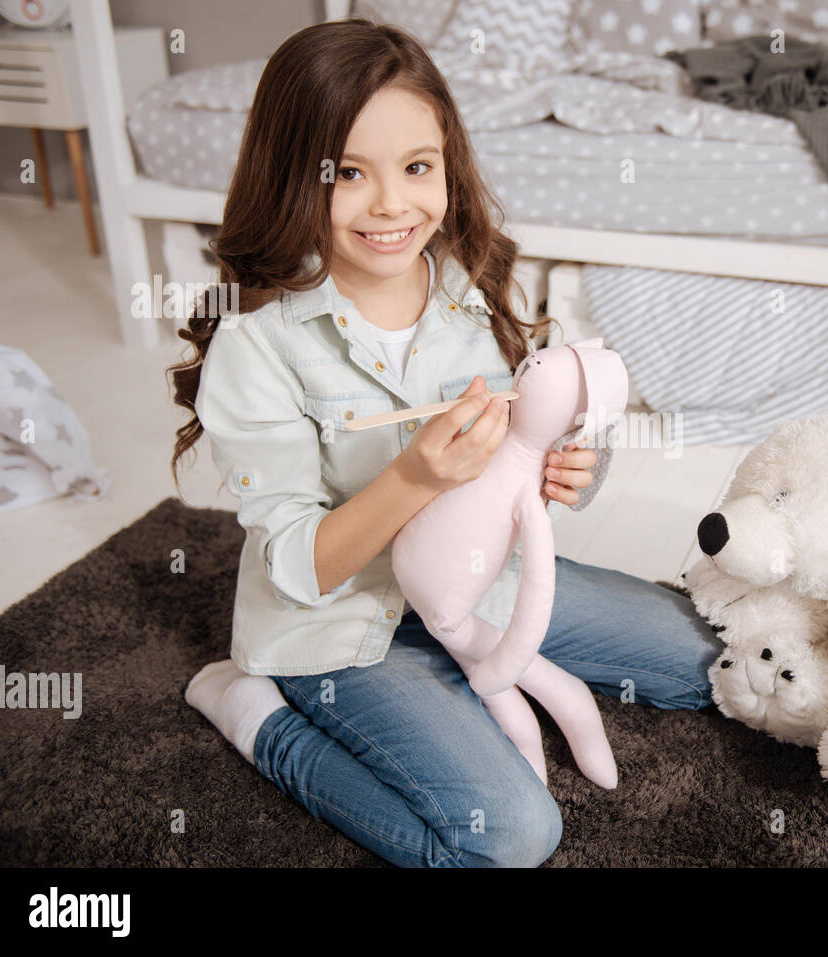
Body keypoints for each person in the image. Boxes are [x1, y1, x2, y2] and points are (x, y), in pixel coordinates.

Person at [166, 18, 722, 867]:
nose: (392, 205)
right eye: (349, 174)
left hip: (480, 585)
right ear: (292, 177)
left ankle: (462, 676)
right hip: (346, 625)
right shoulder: (257, 343)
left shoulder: (479, 287)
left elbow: (546, 429)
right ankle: (261, 718)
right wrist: (414, 477)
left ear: (446, 165)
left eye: (416, 168)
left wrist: (577, 470)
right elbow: (297, 566)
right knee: (510, 835)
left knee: (703, 660)